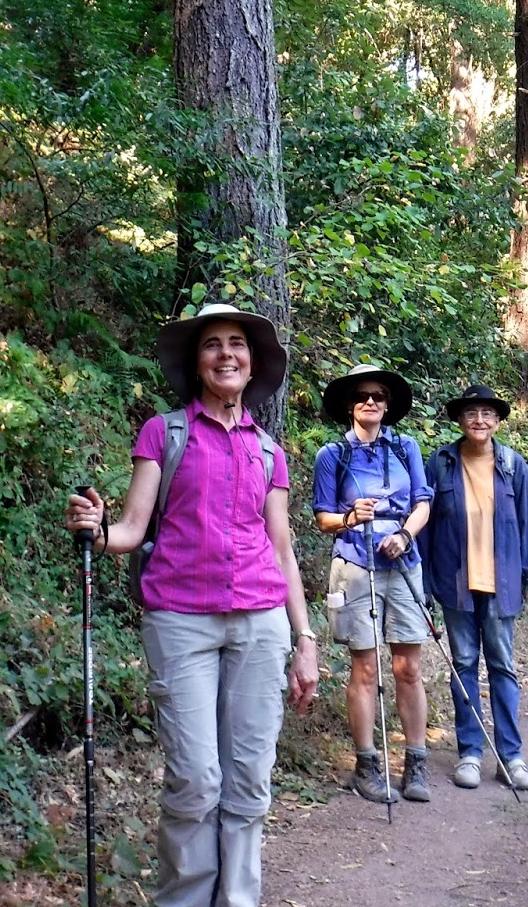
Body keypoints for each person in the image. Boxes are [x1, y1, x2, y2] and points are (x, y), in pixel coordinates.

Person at [64, 303, 319, 907]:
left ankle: (237, 900)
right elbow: (131, 527)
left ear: (252, 363)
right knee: (196, 780)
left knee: (250, 780)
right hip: (180, 621)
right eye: (212, 344)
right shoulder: (164, 432)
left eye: (237, 343)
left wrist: (305, 639)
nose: (226, 353)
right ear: (196, 361)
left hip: (261, 623)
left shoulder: (269, 452)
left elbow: (282, 549)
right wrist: (98, 531)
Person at [419, 384, 528, 793]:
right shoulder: (440, 463)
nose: (479, 420)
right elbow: (423, 524)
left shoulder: (513, 464)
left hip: (503, 583)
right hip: (454, 581)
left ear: (497, 421)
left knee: (502, 668)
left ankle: (510, 757)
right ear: (460, 420)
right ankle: (471, 754)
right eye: (472, 413)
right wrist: (421, 584)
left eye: (487, 414)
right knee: (462, 667)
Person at [311, 364, 433, 804]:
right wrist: (348, 518)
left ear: (388, 404)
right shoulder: (332, 456)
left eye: (379, 395)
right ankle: (366, 764)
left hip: (403, 561)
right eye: (362, 395)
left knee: (409, 666)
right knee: (364, 668)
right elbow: (322, 516)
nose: (371, 401)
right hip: (355, 564)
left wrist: (404, 534)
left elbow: (422, 502)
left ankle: (415, 762)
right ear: (349, 404)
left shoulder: (406, 448)